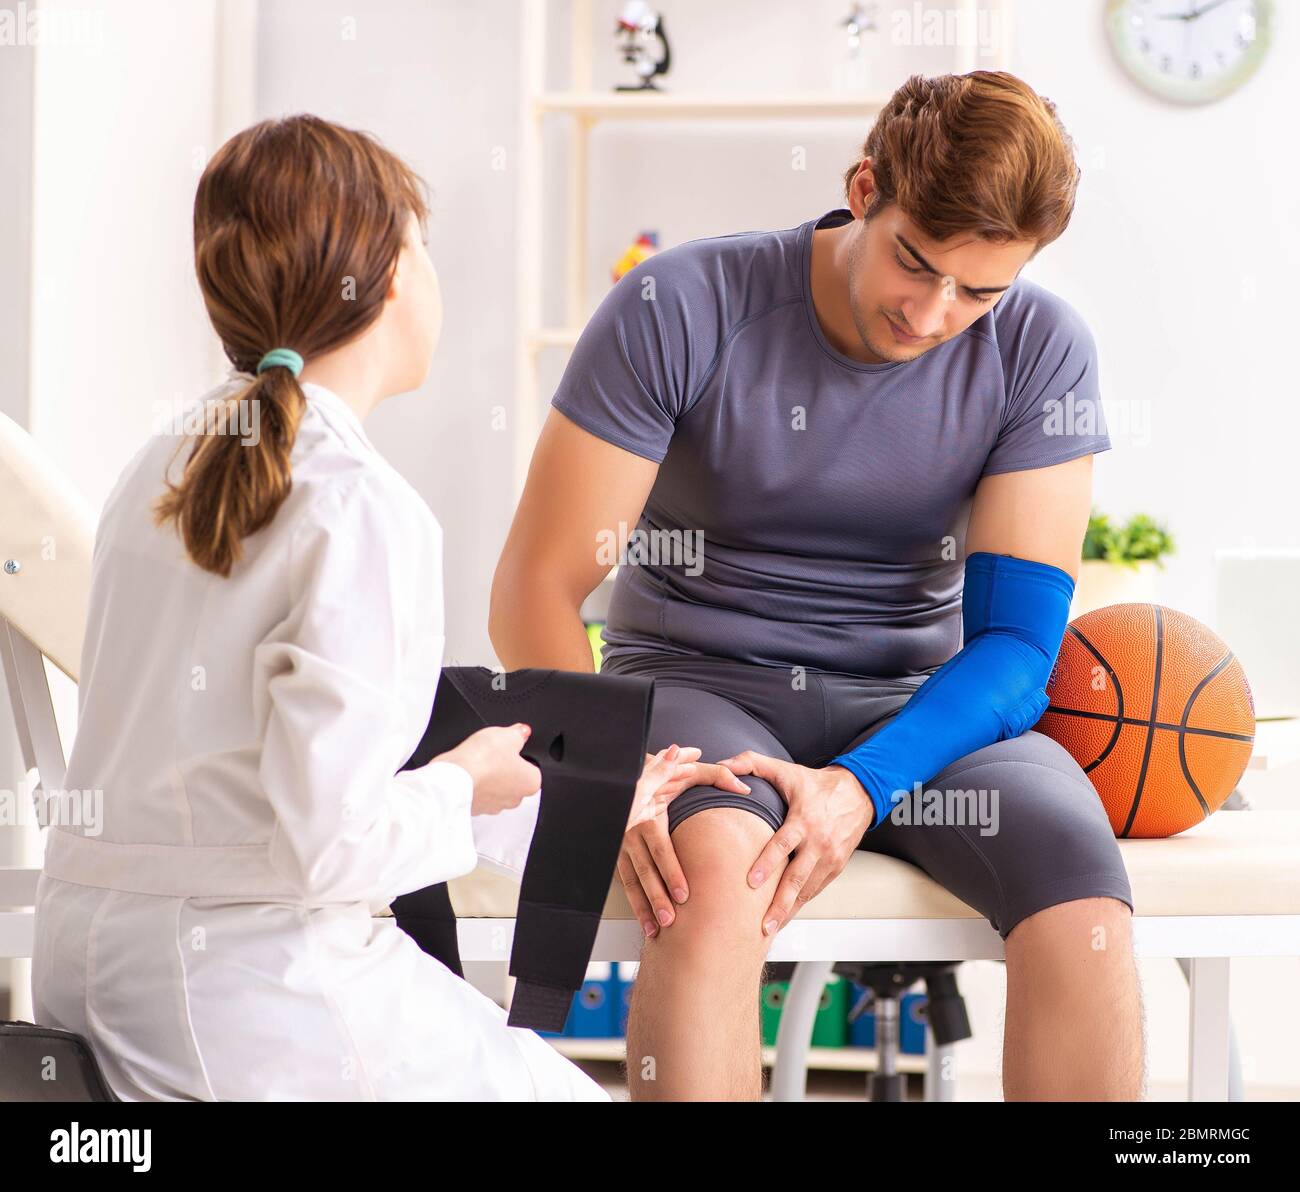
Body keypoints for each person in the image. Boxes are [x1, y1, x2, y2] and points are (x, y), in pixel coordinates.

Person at [31, 114, 745, 1102]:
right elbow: (332, 843)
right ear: (388, 275)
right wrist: (468, 776)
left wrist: (566, 800)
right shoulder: (360, 507)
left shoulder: (161, 466)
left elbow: (257, 780)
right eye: (420, 242)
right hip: (254, 992)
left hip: (87, 962)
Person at [490, 71, 1144, 1101]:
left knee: (1081, 890)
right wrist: (598, 772)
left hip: (920, 702)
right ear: (865, 186)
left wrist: (862, 782)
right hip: (704, 679)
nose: (932, 314)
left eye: (980, 292)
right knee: (716, 889)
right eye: (915, 263)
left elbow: (1017, 650)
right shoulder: (683, 305)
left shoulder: (1040, 349)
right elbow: (539, 581)